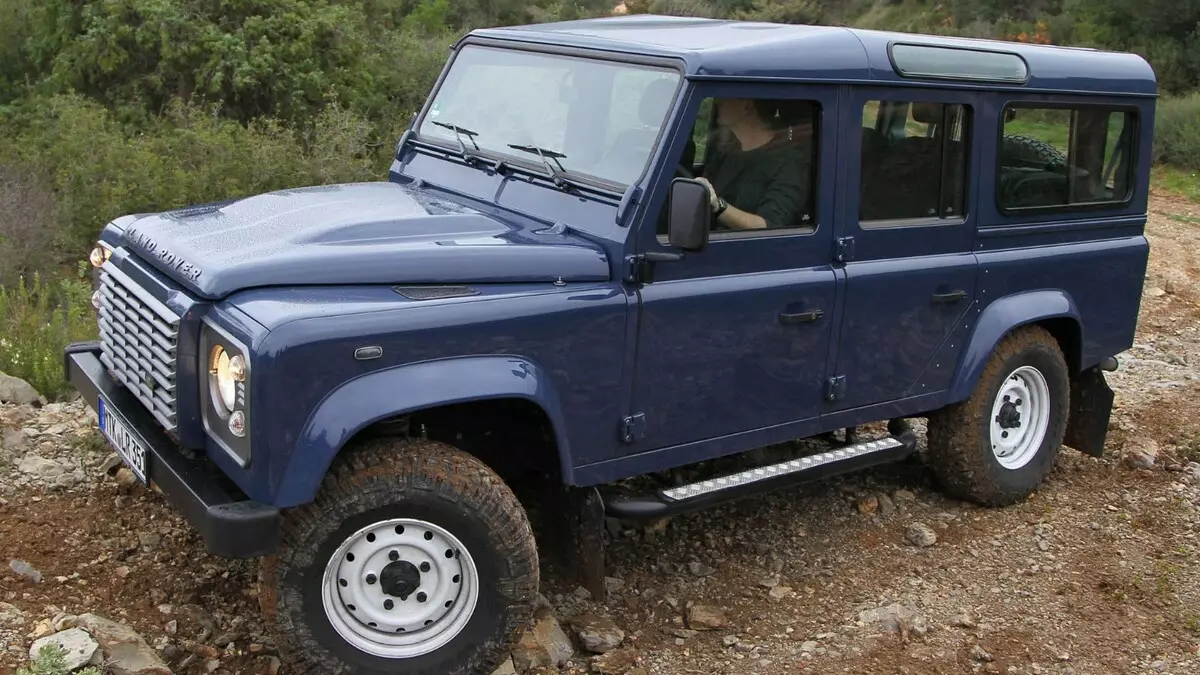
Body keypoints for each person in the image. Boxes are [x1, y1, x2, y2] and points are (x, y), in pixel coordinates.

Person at [696, 98, 813, 231]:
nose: (718, 102)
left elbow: (771, 225)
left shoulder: (790, 164)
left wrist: (719, 206)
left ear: (746, 106)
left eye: (726, 97)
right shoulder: (727, 153)